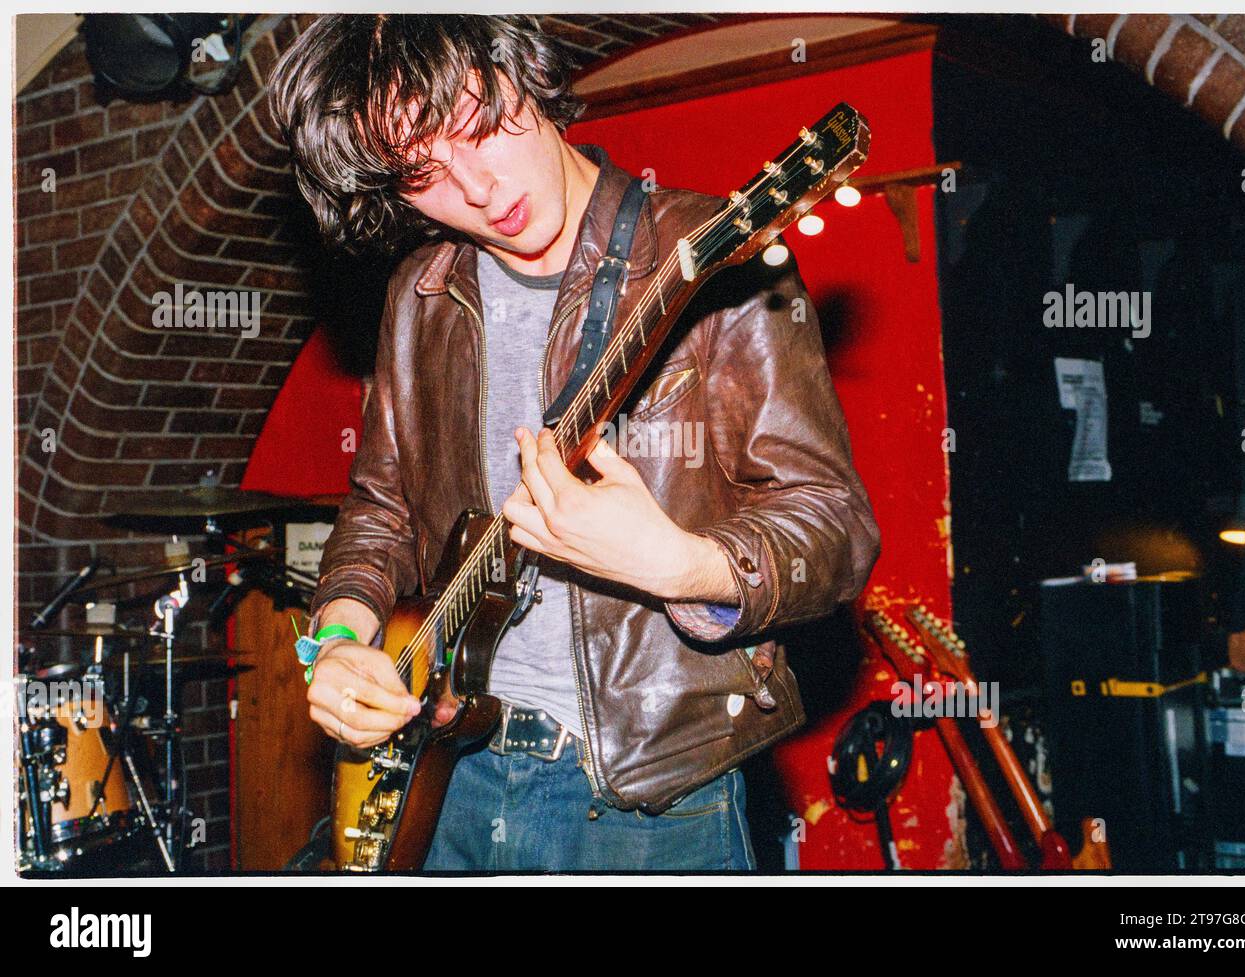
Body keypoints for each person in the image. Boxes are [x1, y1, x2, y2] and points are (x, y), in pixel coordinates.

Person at [269, 13, 879, 871]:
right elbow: (381, 512)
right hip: (449, 769)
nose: (478, 188)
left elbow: (836, 529)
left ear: (521, 69)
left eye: (478, 125)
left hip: (644, 796)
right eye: (421, 173)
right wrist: (337, 641)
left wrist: (683, 564)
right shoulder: (420, 293)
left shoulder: (713, 256)